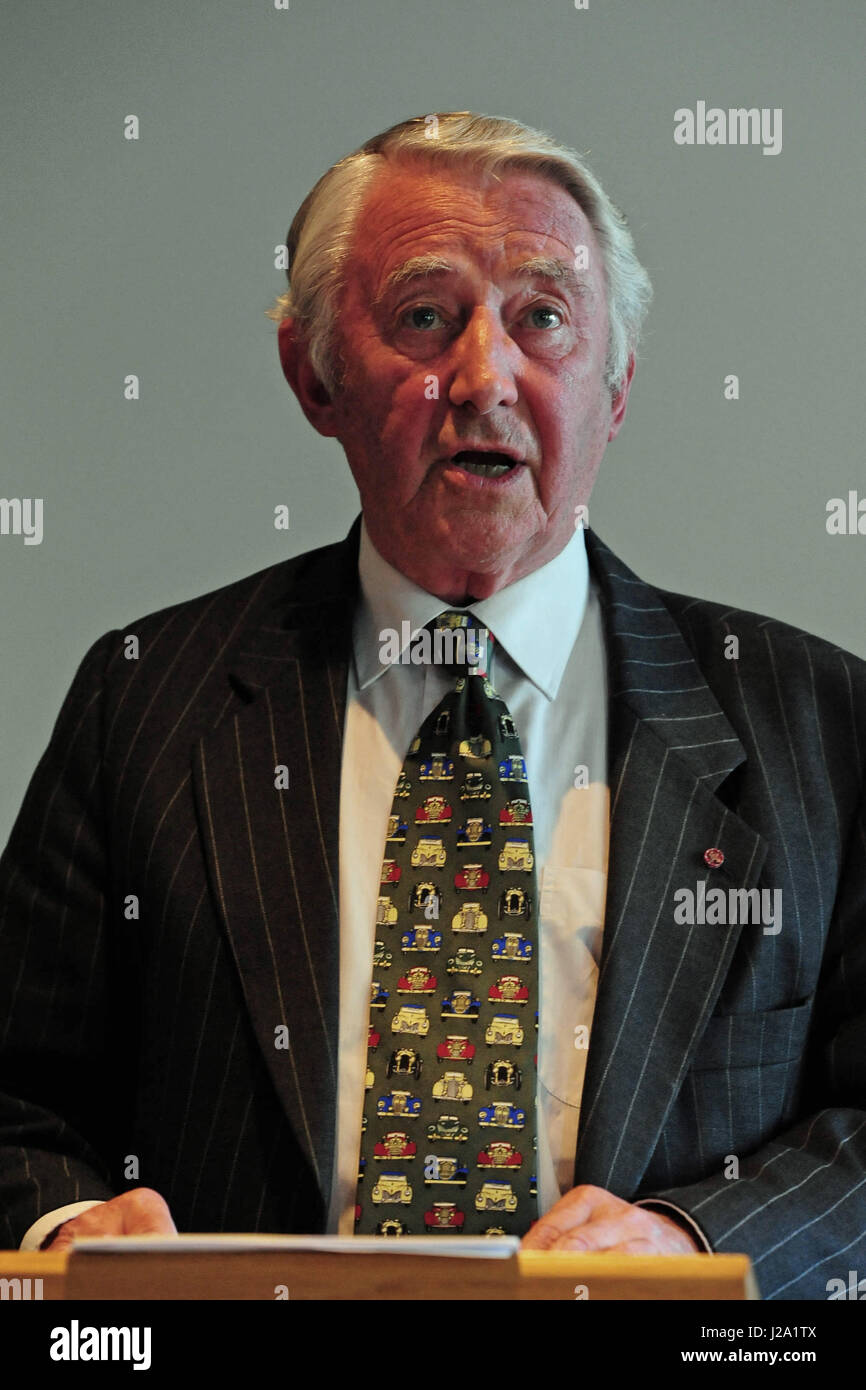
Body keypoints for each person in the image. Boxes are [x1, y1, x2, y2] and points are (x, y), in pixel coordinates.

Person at [0, 112, 863, 1299]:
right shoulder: (145, 698)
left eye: (541, 319)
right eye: (423, 316)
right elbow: (18, 1098)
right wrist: (71, 1228)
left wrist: (697, 1244)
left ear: (614, 387)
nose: (482, 375)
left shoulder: (821, 723)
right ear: (313, 375)